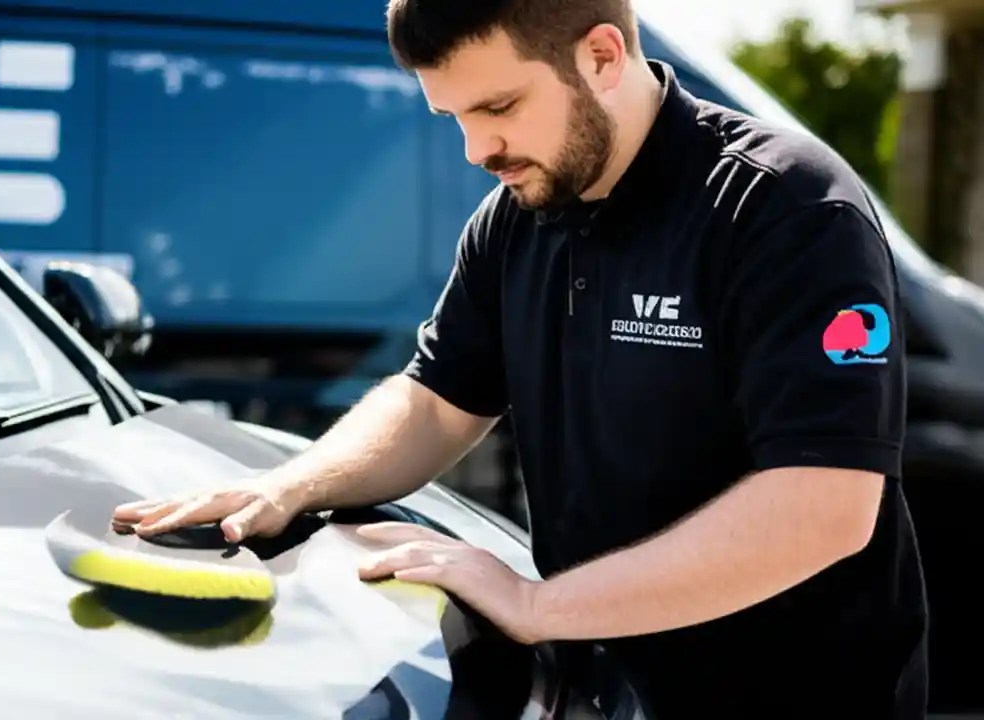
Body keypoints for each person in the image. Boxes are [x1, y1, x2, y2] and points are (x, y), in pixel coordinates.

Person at [111, 0, 929, 717]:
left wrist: (537, 606)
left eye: (498, 105)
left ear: (603, 56)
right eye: (454, 116)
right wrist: (289, 487)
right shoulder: (515, 221)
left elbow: (823, 506)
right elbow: (435, 401)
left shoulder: (783, 205)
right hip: (595, 690)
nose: (477, 148)